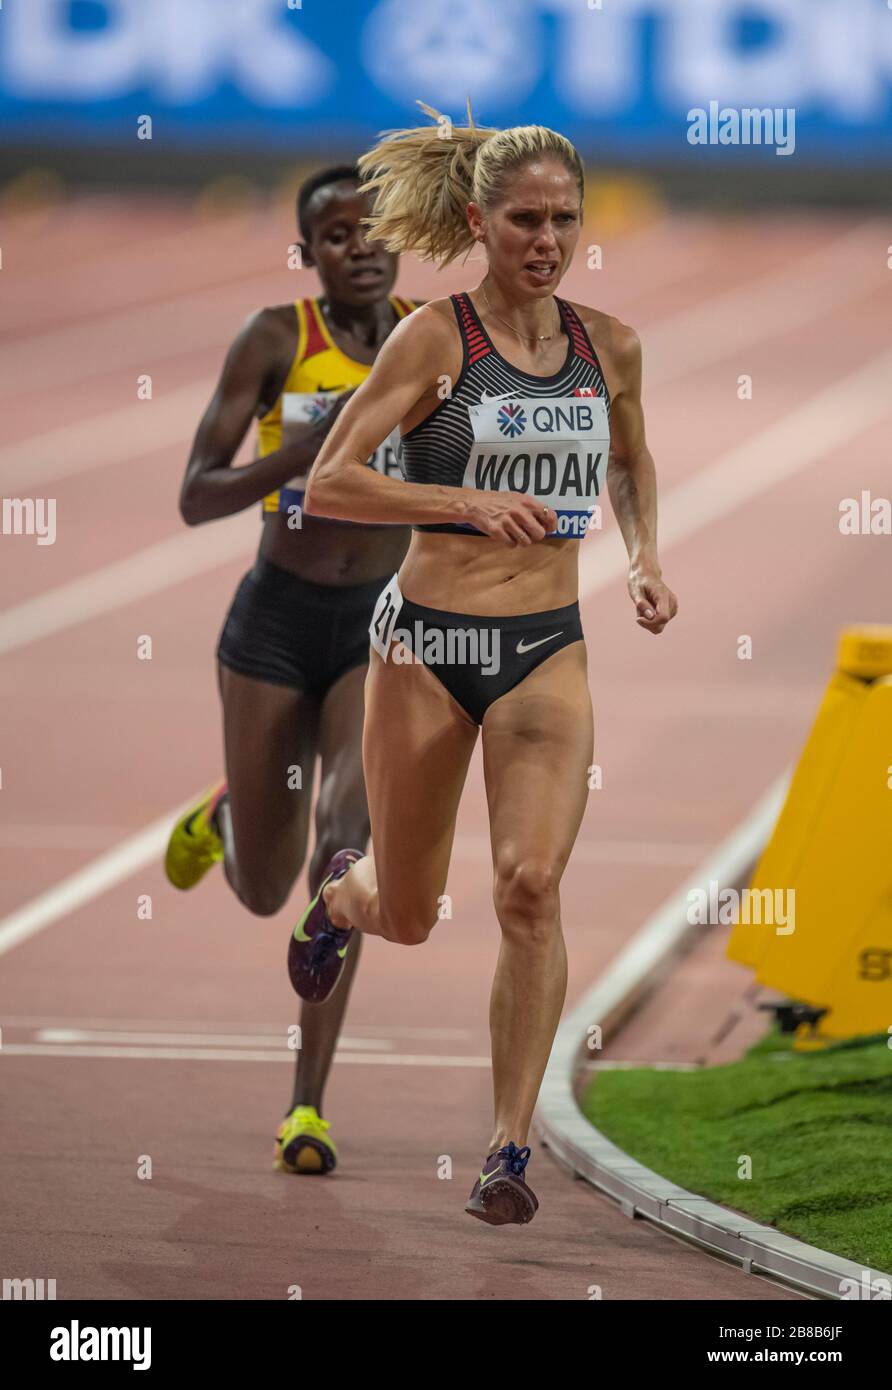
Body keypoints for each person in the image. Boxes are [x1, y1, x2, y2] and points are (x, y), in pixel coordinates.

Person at [287, 105, 678, 1226]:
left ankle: (507, 1148)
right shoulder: (433, 340)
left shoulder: (611, 345)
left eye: (564, 220)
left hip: (544, 648)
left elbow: (632, 462)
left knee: (529, 887)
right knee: (410, 912)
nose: (547, 241)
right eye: (524, 221)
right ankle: (341, 896)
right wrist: (463, 502)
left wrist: (645, 558)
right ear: (479, 221)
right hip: (427, 644)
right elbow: (330, 482)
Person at [163, 165, 420, 1176]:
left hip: (374, 627)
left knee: (344, 851)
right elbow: (196, 495)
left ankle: (307, 1105)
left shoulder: (429, 338)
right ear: (307, 253)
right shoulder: (275, 338)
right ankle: (230, 816)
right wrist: (306, 453)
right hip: (274, 622)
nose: (360, 248)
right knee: (266, 888)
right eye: (336, 235)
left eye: (374, 230)